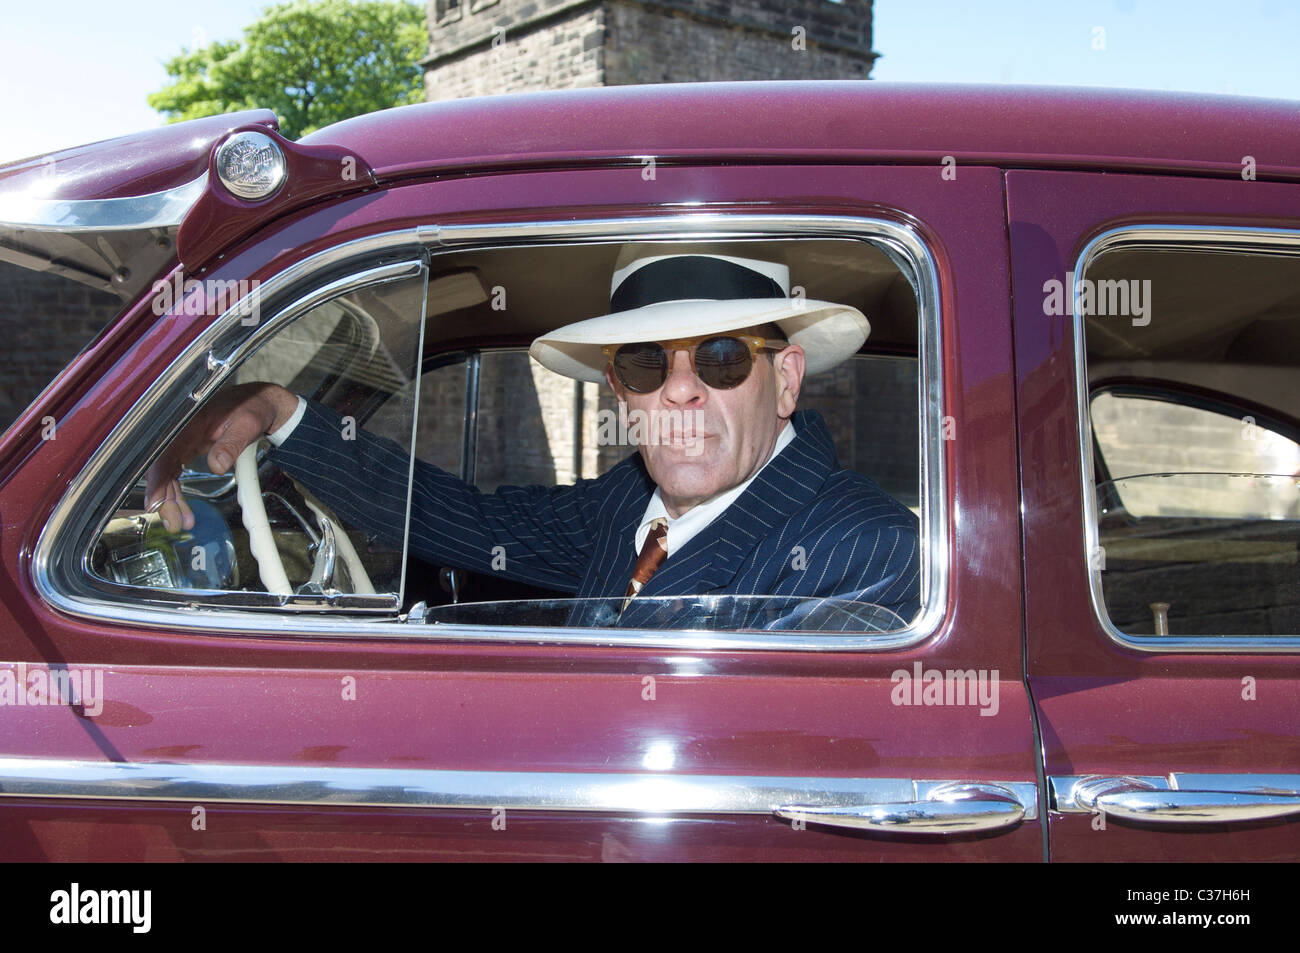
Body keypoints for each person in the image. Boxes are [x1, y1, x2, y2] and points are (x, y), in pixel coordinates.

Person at [146, 247, 921, 628]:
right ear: (620, 388)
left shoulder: (864, 551)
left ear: (785, 381)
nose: (680, 389)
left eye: (720, 358)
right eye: (646, 363)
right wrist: (284, 411)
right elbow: (475, 525)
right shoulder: (629, 505)